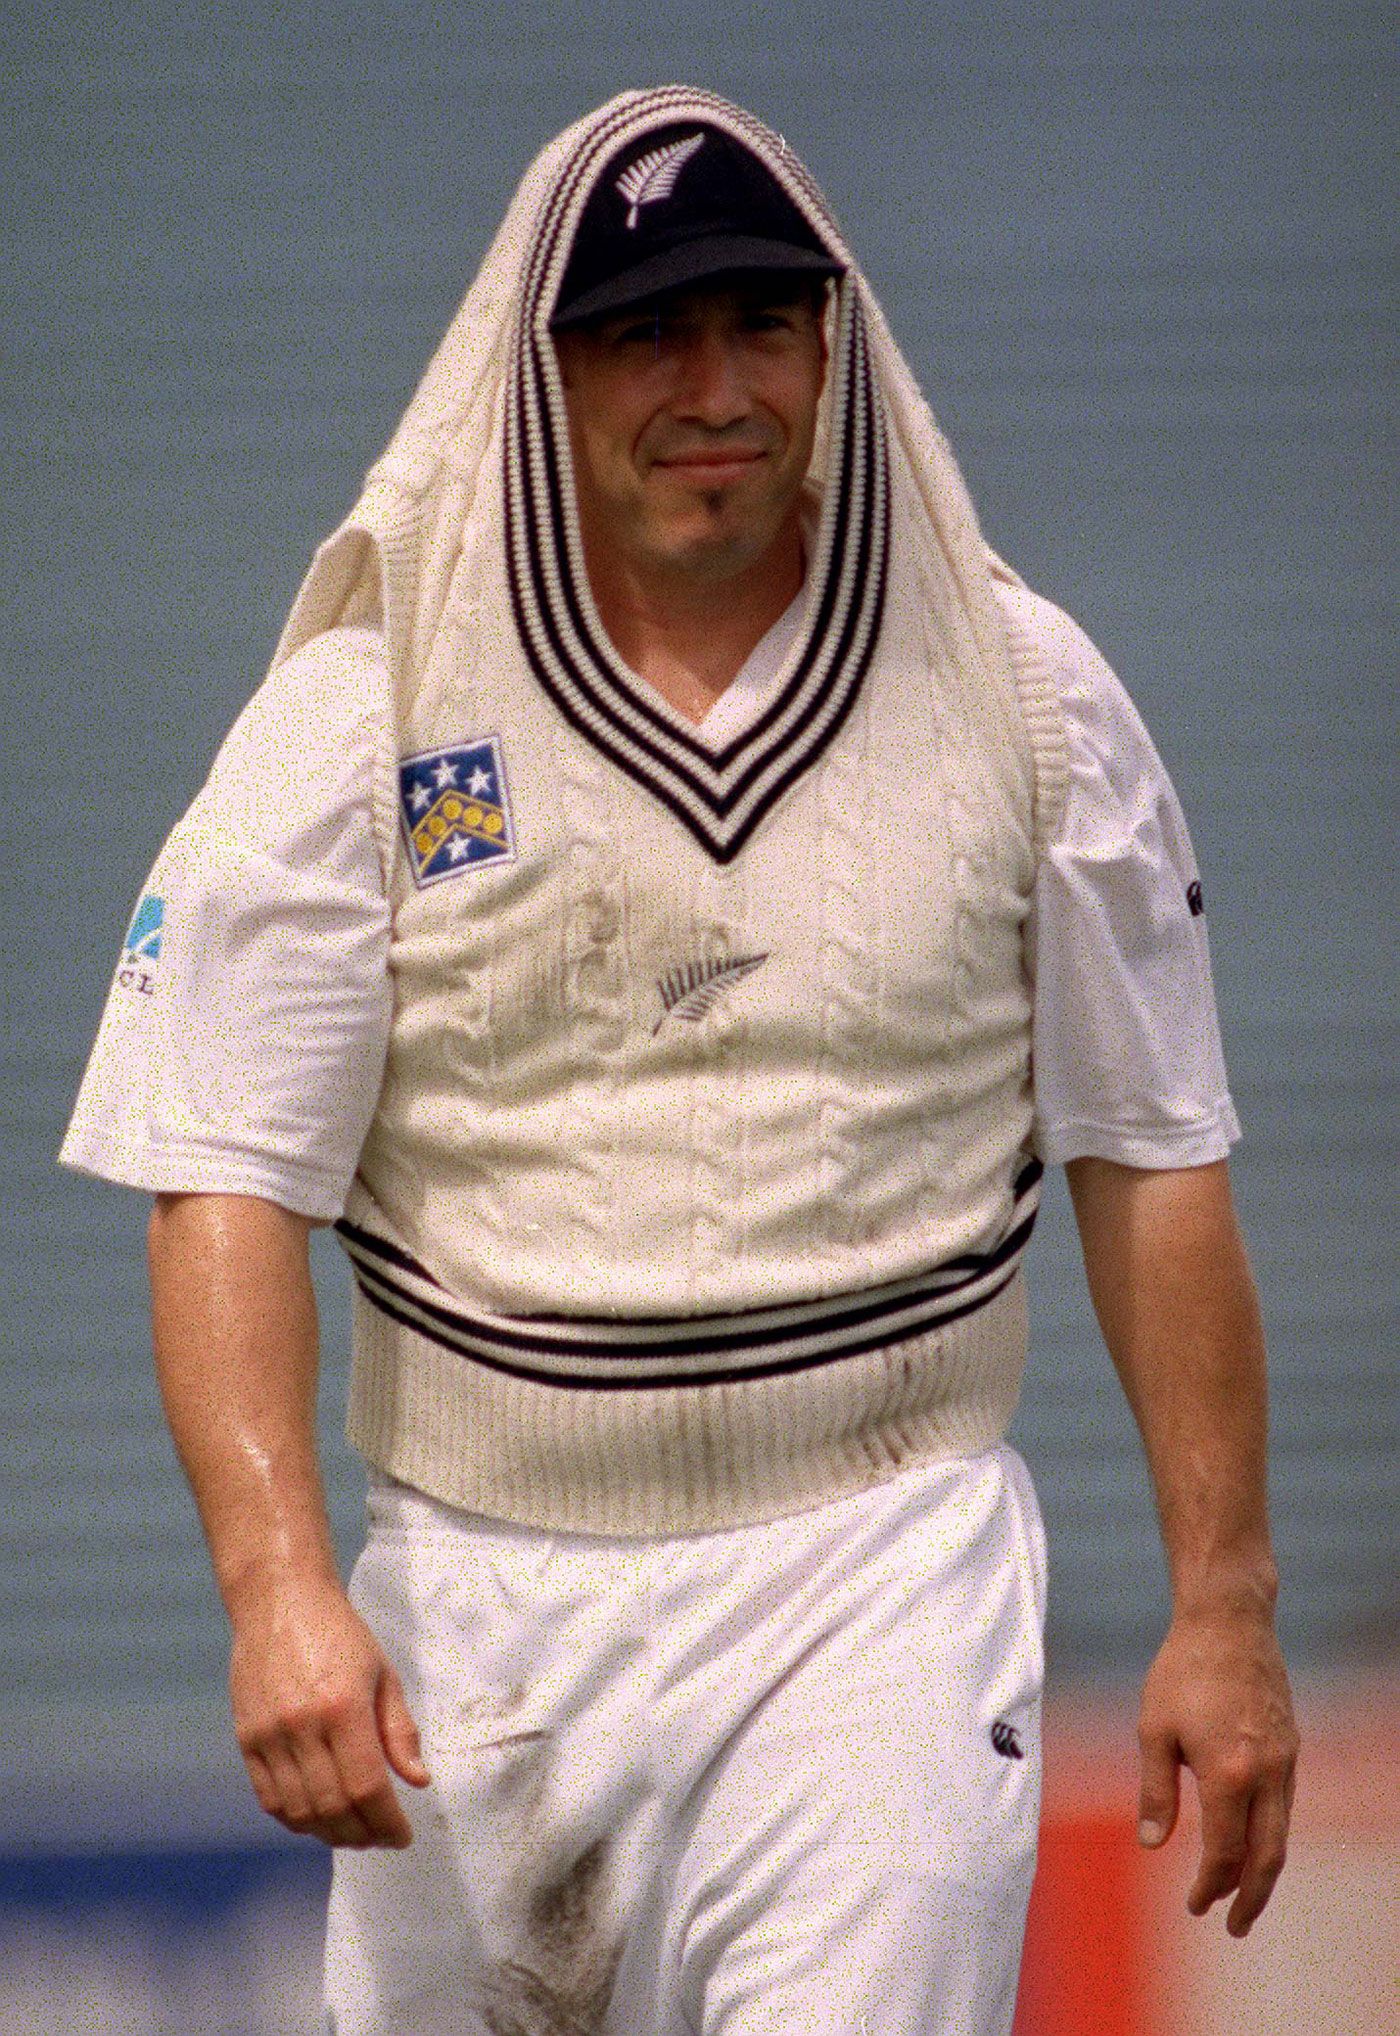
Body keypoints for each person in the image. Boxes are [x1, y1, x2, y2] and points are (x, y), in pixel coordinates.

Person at [62, 86, 1297, 2035]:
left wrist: (1223, 1608)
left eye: (760, 324)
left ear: (833, 346)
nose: (712, 386)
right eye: (646, 333)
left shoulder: (1024, 700)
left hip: (877, 1575)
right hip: (478, 1612)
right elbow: (221, 1170)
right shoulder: (358, 721)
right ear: (542, 379)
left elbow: (1152, 1160)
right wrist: (275, 1585)